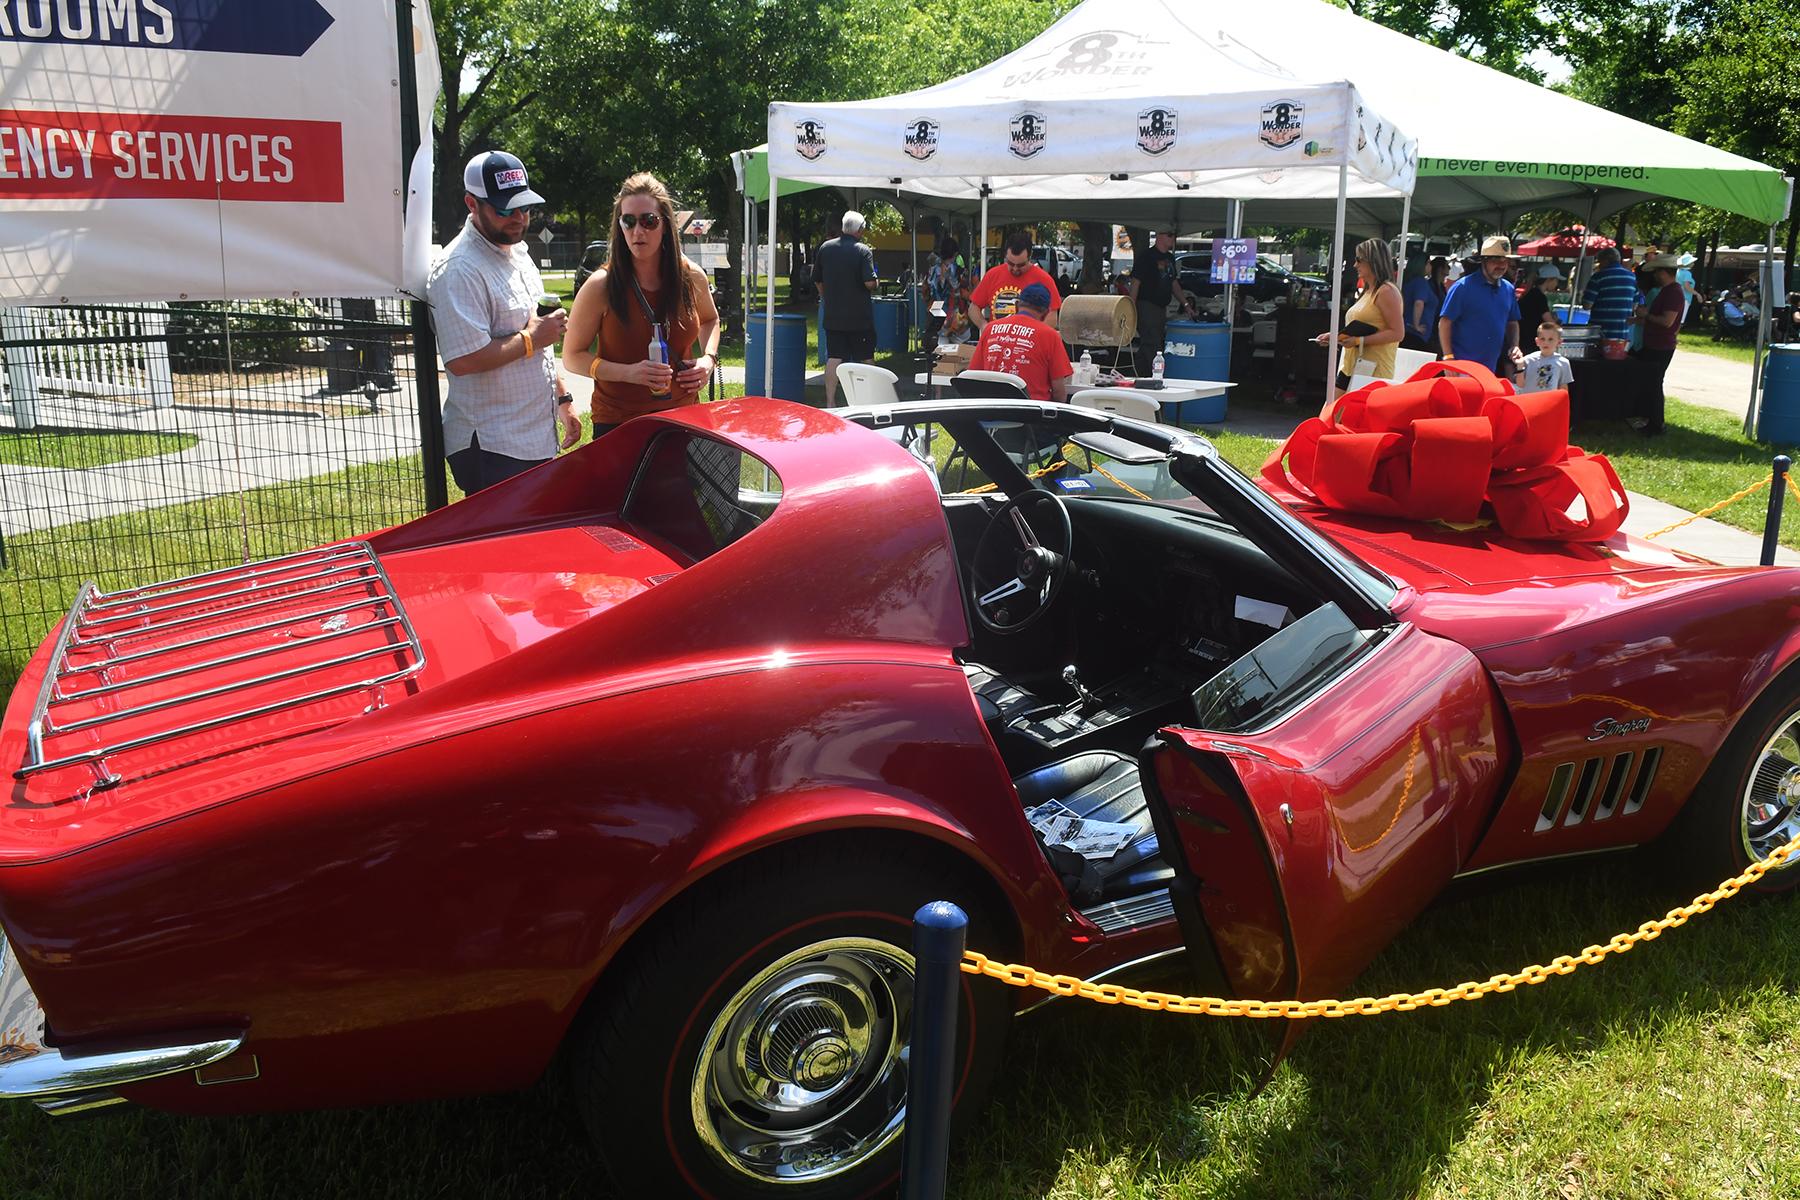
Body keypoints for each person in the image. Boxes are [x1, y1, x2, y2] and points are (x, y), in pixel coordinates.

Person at [426, 150, 575, 496]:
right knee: (503, 548)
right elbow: (463, 360)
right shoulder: (458, 268)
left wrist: (563, 399)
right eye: (505, 209)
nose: (519, 218)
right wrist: (530, 339)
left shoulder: (519, 254)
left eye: (525, 208)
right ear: (471, 203)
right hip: (493, 447)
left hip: (533, 438)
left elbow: (540, 334)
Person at [561, 172, 720, 438]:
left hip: (682, 418)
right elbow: (572, 357)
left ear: (666, 224)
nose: (638, 231)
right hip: (619, 424)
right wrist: (629, 373)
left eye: (649, 221)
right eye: (628, 221)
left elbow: (710, 319)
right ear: (619, 225)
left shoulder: (691, 276)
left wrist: (708, 359)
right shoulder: (600, 285)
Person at [1316, 237, 1403, 388]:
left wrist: (1358, 341)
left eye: (1359, 259)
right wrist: (1336, 337)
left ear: (1373, 260)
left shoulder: (1386, 291)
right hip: (1351, 367)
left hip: (1373, 372)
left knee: (1339, 411)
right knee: (1332, 411)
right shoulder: (1369, 290)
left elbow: (1397, 333)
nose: (1355, 264)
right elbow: (1361, 326)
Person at [967, 282, 1072, 403]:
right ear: (1046, 312)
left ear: (1017, 305)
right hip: (1031, 414)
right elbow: (1059, 391)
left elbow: (973, 375)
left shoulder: (990, 329)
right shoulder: (1050, 335)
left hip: (991, 411)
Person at [813, 210, 878, 406]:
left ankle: (830, 401)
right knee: (866, 358)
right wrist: (876, 282)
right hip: (859, 318)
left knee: (834, 358)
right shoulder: (863, 250)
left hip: (833, 316)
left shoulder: (825, 248)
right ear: (860, 230)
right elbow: (869, 283)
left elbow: (817, 279)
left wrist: (826, 296)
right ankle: (870, 401)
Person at [1437, 235, 1523, 376]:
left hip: (1490, 370)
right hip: (1461, 368)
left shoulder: (1508, 289)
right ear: (1483, 261)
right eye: (1495, 259)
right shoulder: (1462, 287)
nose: (1501, 265)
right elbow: (1445, 322)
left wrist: (1514, 345)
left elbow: (1512, 322)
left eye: (1505, 260)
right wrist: (1448, 357)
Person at [1631, 253, 1684, 435]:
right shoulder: (1668, 291)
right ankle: (1651, 421)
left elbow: (1667, 321)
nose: (1654, 275)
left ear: (1664, 272)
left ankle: (1656, 424)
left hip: (1660, 346)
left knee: (1654, 384)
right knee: (1651, 383)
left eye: (1656, 271)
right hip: (1655, 343)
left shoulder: (1674, 292)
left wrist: (1646, 315)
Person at [969, 232, 1063, 332]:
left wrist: (1035, 335)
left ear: (1029, 257)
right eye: (1010, 263)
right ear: (1005, 256)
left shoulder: (1043, 279)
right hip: (997, 341)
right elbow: (973, 308)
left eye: (1021, 265)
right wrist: (984, 326)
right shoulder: (993, 275)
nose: (1015, 269)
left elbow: (1052, 316)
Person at [1128, 229, 1194, 361]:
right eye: (1169, 235)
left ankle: (1141, 372)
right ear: (1159, 236)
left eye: (1174, 235)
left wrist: (1186, 304)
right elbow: (1135, 283)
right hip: (1146, 305)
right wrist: (1131, 308)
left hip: (1161, 307)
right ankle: (1149, 374)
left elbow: (1173, 283)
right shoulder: (1146, 256)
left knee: (1155, 341)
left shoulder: (1170, 258)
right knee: (1152, 341)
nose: (1173, 238)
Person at [1583, 247, 1638, 344]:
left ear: (1605, 260)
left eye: (1600, 262)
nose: (1599, 265)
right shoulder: (1632, 277)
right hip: (1622, 332)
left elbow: (1587, 305)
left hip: (1600, 332)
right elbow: (1635, 305)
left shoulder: (1598, 276)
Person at [920, 236, 968, 347]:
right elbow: (965, 292)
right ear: (955, 254)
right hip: (956, 315)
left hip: (936, 311)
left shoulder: (931, 271)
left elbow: (925, 292)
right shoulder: (960, 272)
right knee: (959, 348)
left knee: (941, 345)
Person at [1402, 256, 1449, 352]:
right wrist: (1416, 325)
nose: (1430, 265)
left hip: (1408, 330)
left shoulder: (1410, 281)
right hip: (1416, 334)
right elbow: (1419, 303)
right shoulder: (1421, 282)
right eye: (1428, 262)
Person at [1517, 319, 1574, 396]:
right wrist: (1520, 366)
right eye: (1542, 339)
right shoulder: (1527, 360)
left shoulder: (1564, 363)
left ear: (1559, 342)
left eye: (1550, 339)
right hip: (1529, 401)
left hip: (1549, 402)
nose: (1546, 342)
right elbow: (1520, 385)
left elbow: (1563, 388)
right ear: (1537, 341)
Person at [1517, 264, 1562, 344]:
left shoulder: (1532, 293)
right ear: (1549, 280)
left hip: (1523, 338)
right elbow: (1549, 322)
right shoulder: (1539, 297)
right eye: (1556, 280)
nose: (1557, 284)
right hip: (1529, 341)